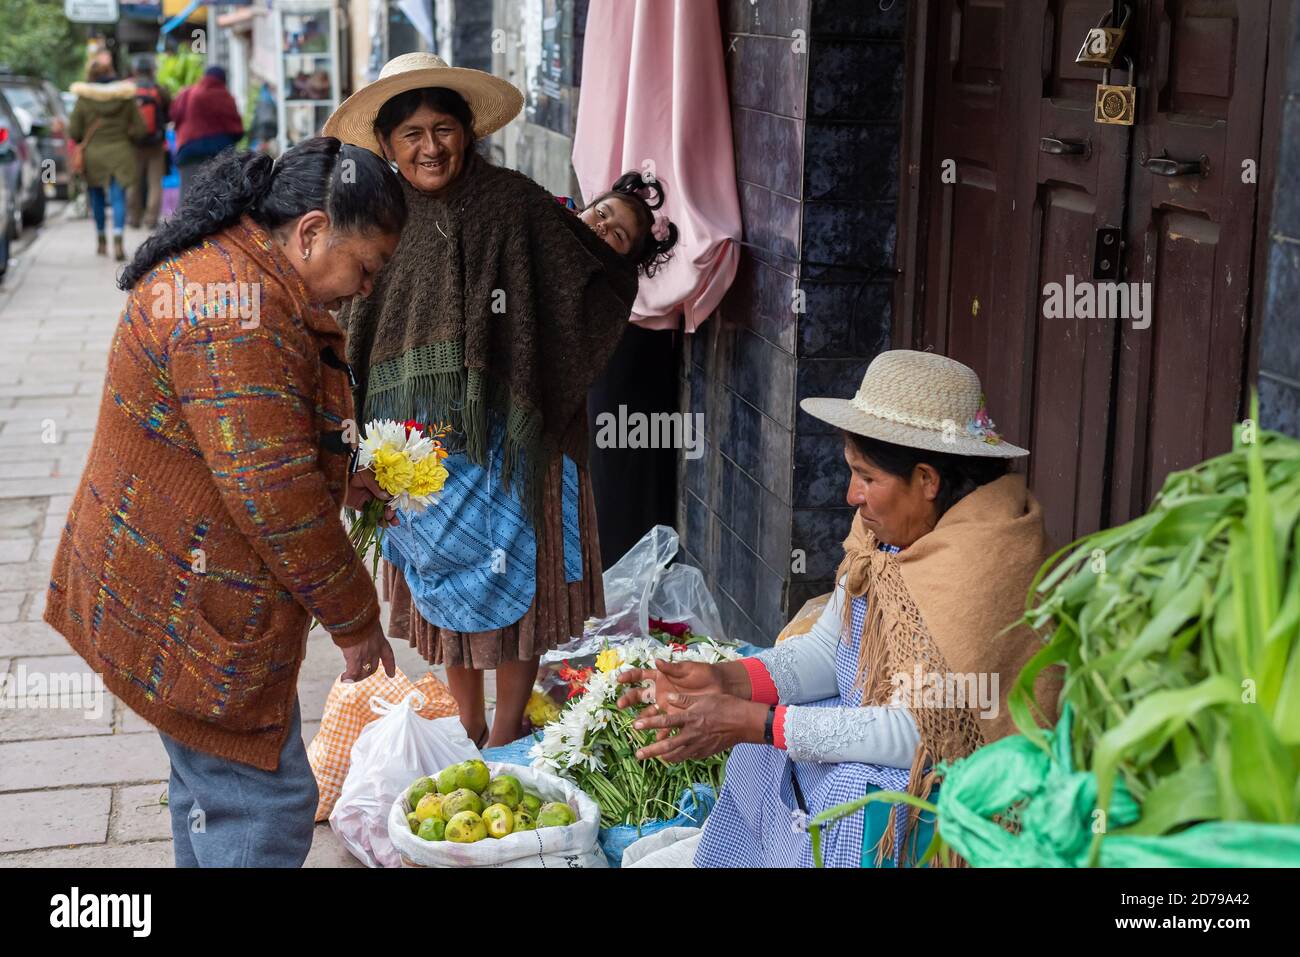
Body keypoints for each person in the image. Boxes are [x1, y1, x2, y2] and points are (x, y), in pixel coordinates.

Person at [45, 138, 411, 868]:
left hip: (164, 588)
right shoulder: (235, 311)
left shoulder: (242, 274)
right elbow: (273, 493)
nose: (364, 290)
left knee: (212, 790)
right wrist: (356, 618)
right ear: (310, 231)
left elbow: (251, 442)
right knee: (262, 801)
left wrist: (343, 477)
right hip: (183, 602)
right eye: (364, 268)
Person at [617, 350, 1063, 867]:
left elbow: (921, 731)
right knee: (758, 756)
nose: (851, 494)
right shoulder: (889, 540)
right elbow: (833, 650)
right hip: (886, 725)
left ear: (926, 480)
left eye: (866, 477)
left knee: (854, 795)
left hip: (959, 773)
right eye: (850, 471)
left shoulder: (983, 568)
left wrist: (759, 722)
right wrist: (728, 681)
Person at [324, 53, 640, 748]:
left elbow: (582, 274)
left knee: (523, 574)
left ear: (468, 131)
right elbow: (349, 315)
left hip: (513, 436)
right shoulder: (376, 216)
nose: (430, 147)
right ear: (386, 144)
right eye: (411, 134)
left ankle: (506, 726)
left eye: (444, 128)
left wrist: (627, 242)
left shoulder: (514, 201)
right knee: (444, 577)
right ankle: (464, 717)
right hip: (413, 444)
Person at [68, 58, 145, 261]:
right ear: (111, 72)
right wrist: (125, 136)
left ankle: (101, 240)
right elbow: (141, 129)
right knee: (118, 197)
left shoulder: (84, 99)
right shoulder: (125, 97)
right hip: (121, 152)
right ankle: (118, 239)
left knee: (96, 198)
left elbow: (74, 131)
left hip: (93, 155)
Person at [171, 66, 245, 199]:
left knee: (188, 194)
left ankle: (186, 219)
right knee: (221, 195)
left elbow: (174, 116)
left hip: (189, 151)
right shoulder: (224, 96)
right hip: (220, 152)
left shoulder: (186, 94)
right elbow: (236, 129)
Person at [126, 56, 170, 230]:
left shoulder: (128, 90)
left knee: (133, 182)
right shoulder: (159, 90)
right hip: (156, 143)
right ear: (152, 70)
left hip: (133, 143)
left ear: (135, 70)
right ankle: (151, 220)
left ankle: (134, 218)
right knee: (154, 183)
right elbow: (169, 110)